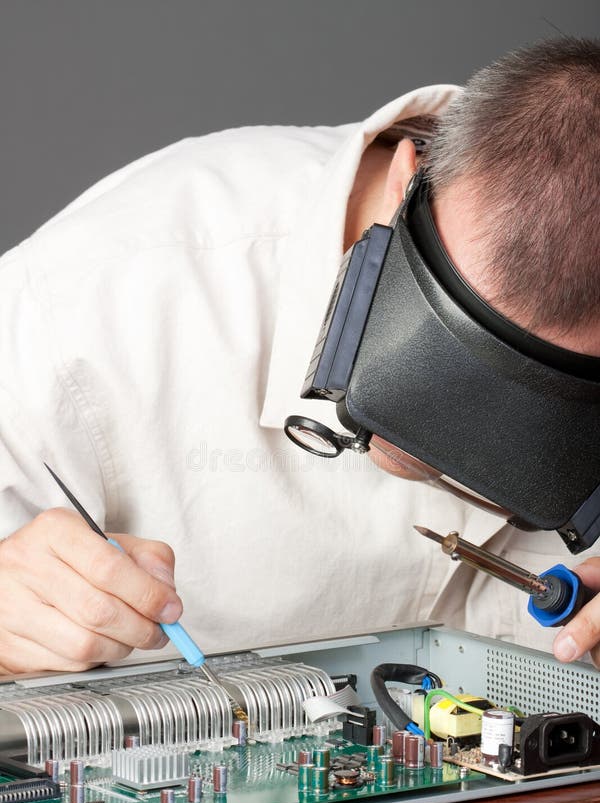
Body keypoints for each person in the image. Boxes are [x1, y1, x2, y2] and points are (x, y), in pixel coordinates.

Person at [0, 37, 598, 674]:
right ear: (407, 183)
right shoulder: (91, 301)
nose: (446, 436)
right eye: (451, 347)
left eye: (537, 404)